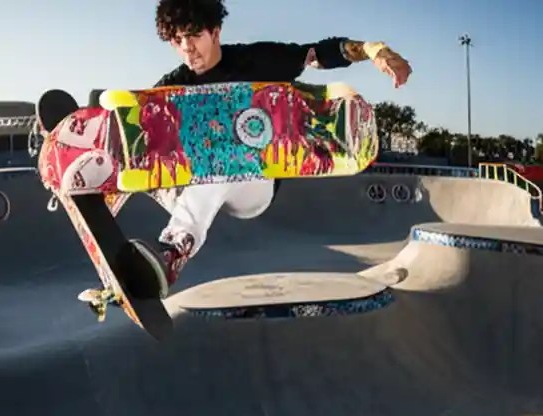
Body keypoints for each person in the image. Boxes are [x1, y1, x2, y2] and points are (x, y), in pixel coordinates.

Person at [128, 0, 413, 298]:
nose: (187, 48)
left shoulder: (257, 61)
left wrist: (373, 50)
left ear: (215, 31)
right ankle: (141, 244)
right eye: (177, 40)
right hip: (194, 192)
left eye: (194, 35)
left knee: (226, 153)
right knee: (156, 139)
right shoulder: (172, 86)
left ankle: (173, 252)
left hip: (253, 186)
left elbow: (316, 53)